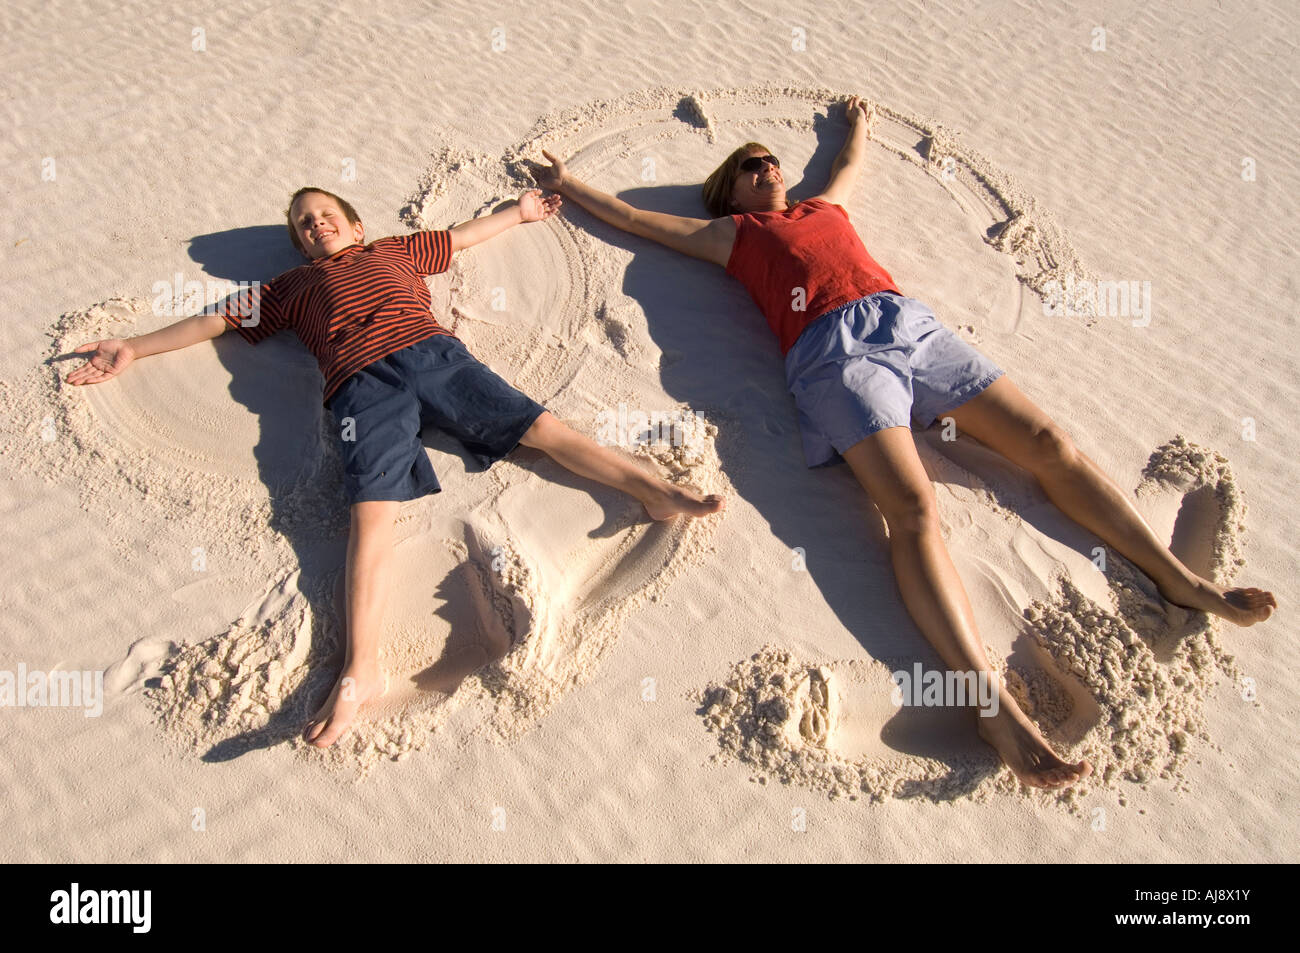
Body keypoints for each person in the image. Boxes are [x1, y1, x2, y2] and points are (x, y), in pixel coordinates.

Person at [530, 96, 1277, 789]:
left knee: (1049, 440)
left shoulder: (822, 206)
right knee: (913, 509)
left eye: (771, 161)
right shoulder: (734, 235)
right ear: (731, 190)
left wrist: (856, 124)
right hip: (833, 355)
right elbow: (632, 220)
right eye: (751, 166)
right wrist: (570, 182)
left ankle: (1181, 580)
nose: (768, 169)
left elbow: (847, 168)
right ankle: (992, 706)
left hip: (908, 326)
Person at [64, 186, 724, 748]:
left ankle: (653, 489)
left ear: (356, 227)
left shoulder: (394, 251)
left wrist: (520, 213)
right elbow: (215, 321)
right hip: (359, 387)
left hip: (435, 355)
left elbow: (462, 238)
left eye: (324, 214)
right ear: (299, 246)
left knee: (542, 427)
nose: (313, 224)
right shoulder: (291, 289)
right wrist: (135, 346)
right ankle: (362, 669)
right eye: (302, 223)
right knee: (371, 518)